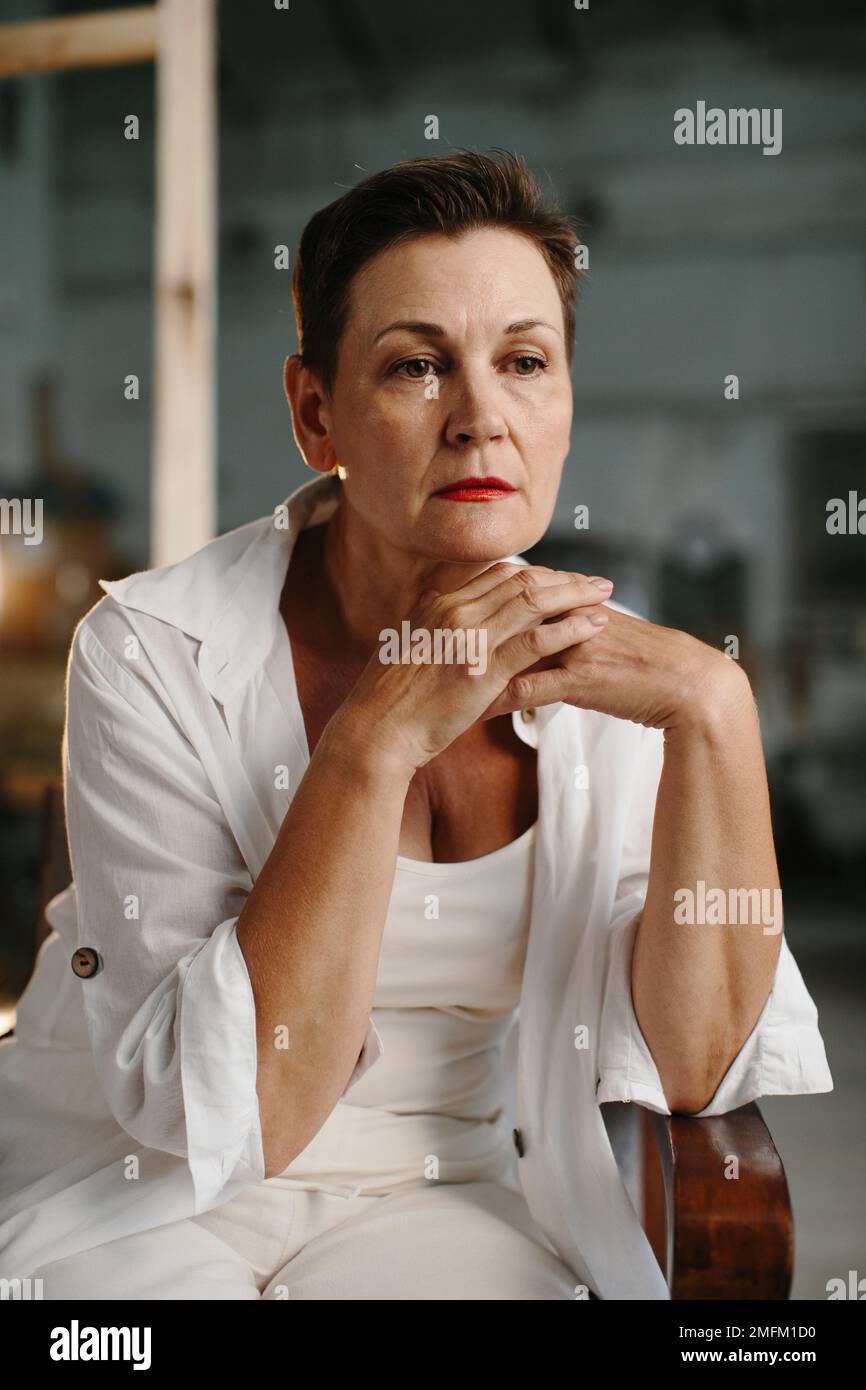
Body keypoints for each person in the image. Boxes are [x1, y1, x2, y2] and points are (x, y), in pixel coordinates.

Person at [0, 150, 832, 1300]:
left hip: (434, 1193)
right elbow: (245, 1108)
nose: (480, 419)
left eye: (524, 362)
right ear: (313, 412)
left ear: (564, 401)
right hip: (137, 1184)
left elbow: (693, 1068)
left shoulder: (630, 688)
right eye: (415, 367)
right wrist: (372, 738)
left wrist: (713, 710)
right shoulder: (148, 649)